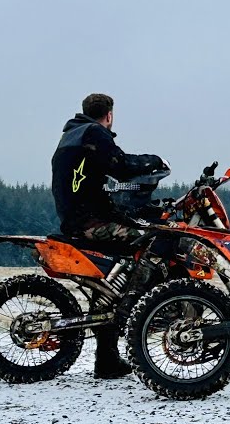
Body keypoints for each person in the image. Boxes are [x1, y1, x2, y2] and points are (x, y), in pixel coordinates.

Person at [50, 93, 170, 379]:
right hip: (90, 222)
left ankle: (106, 360)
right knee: (153, 240)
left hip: (77, 219)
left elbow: (100, 177)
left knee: (107, 288)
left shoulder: (71, 136)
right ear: (109, 114)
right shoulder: (94, 134)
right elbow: (120, 164)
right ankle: (135, 305)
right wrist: (153, 161)